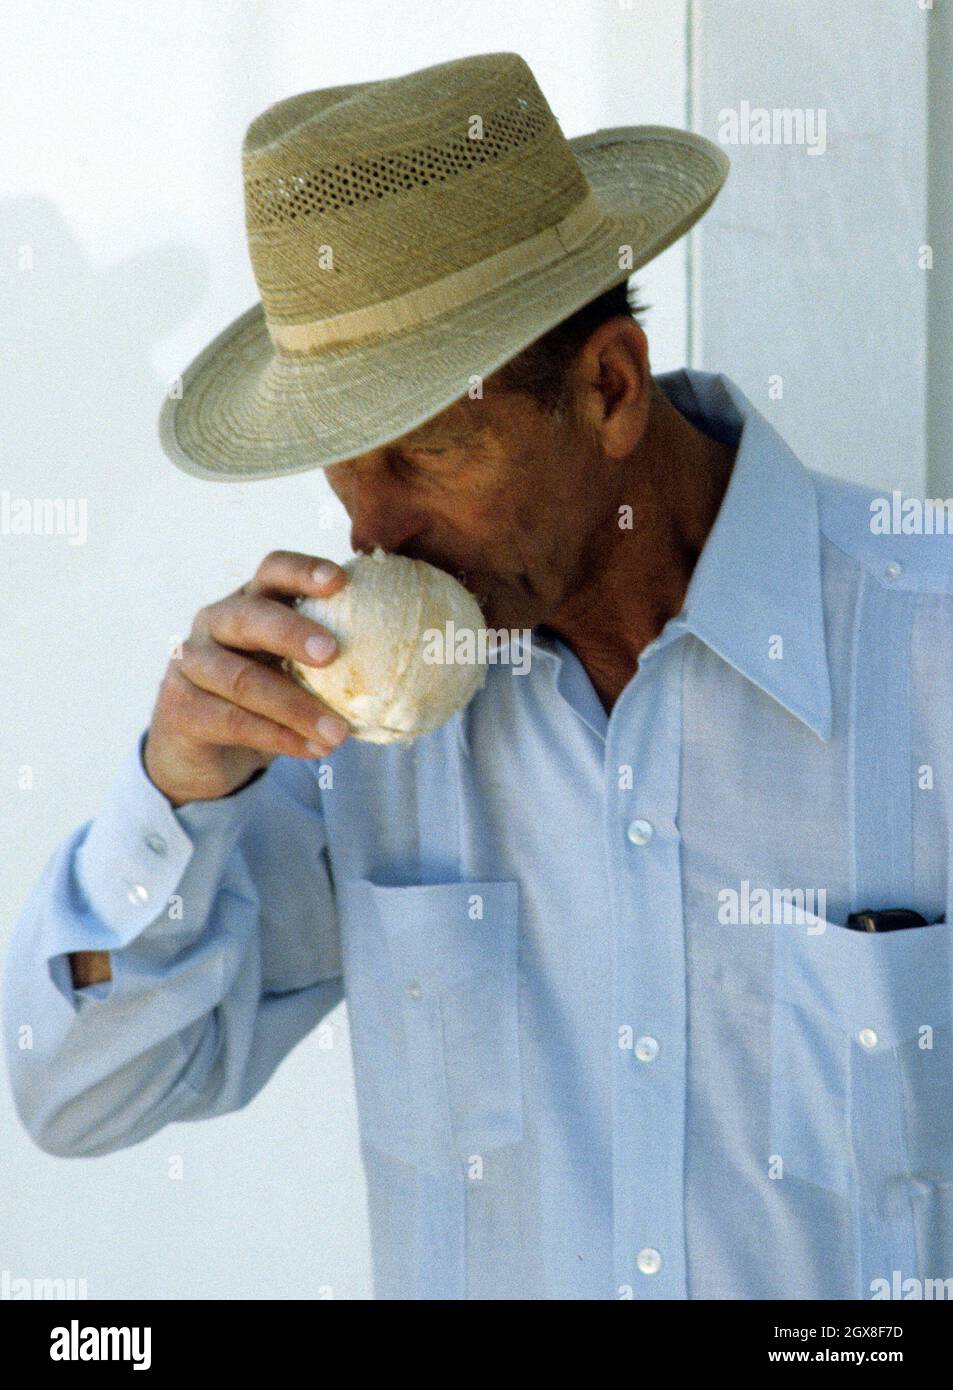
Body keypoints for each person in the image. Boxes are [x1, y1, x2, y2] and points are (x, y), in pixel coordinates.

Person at [5, 51, 953, 1301]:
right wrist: (174, 791)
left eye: (426, 453)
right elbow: (80, 1092)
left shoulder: (925, 647)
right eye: (343, 469)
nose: (371, 533)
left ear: (607, 388)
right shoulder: (351, 726)